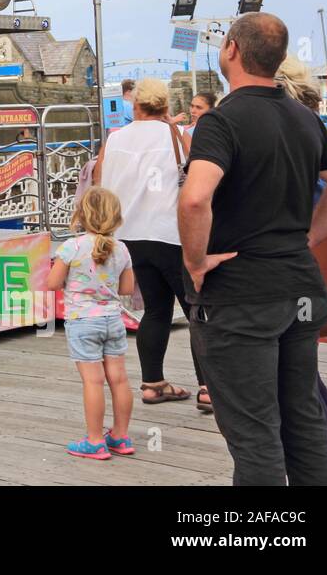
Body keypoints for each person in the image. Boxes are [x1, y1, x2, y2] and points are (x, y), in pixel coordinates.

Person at [179, 12, 327, 486]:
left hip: (241, 297)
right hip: (299, 291)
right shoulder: (302, 118)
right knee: (302, 419)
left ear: (232, 50)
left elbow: (195, 196)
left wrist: (195, 261)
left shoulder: (221, 121)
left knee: (255, 432)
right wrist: (308, 237)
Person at [100, 78, 208, 409]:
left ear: (135, 106)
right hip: (169, 234)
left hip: (129, 237)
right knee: (197, 311)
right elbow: (195, 181)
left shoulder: (115, 139)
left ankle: (152, 383)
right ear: (165, 106)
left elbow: (101, 183)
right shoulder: (176, 136)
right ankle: (209, 389)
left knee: (156, 309)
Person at [274, 56, 327, 486]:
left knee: (303, 388)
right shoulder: (311, 130)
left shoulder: (293, 131)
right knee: (305, 383)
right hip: (307, 274)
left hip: (292, 275)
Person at [47, 186, 135, 460]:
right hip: (113, 320)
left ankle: (95, 440)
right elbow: (127, 289)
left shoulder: (71, 247)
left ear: (81, 215)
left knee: (93, 382)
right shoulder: (121, 249)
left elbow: (52, 283)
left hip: (83, 322)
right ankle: (120, 437)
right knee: (119, 380)